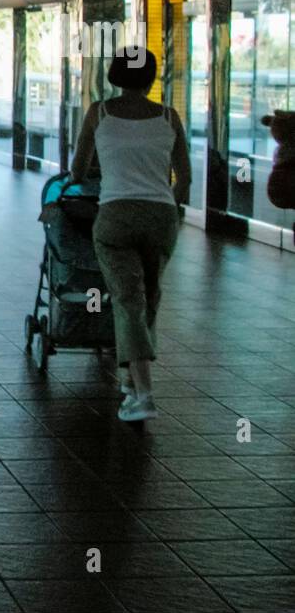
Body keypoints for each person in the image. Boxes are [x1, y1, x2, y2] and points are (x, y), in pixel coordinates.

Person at [70, 46, 190, 423]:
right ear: (151, 76)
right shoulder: (170, 117)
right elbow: (184, 178)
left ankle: (144, 395)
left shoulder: (99, 113)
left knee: (127, 301)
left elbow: (77, 171)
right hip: (161, 217)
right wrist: (170, 204)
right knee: (148, 297)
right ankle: (128, 378)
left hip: (116, 218)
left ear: (116, 74)